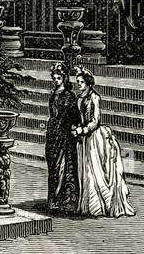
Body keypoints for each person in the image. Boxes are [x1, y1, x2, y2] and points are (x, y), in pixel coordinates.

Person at [71, 68, 136, 218]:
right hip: (83, 139)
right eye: (78, 82)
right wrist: (75, 127)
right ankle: (88, 204)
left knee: (95, 172)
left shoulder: (95, 98)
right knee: (85, 172)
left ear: (88, 83)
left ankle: (101, 205)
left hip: (94, 138)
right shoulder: (79, 98)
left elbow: (95, 120)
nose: (79, 85)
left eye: (81, 82)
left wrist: (82, 130)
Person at [44, 64, 79, 212]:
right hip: (53, 131)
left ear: (65, 78)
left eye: (59, 78)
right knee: (52, 166)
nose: (56, 81)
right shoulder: (54, 93)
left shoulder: (69, 95)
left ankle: (63, 200)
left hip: (64, 134)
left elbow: (74, 115)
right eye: (54, 78)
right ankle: (53, 199)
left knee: (63, 166)